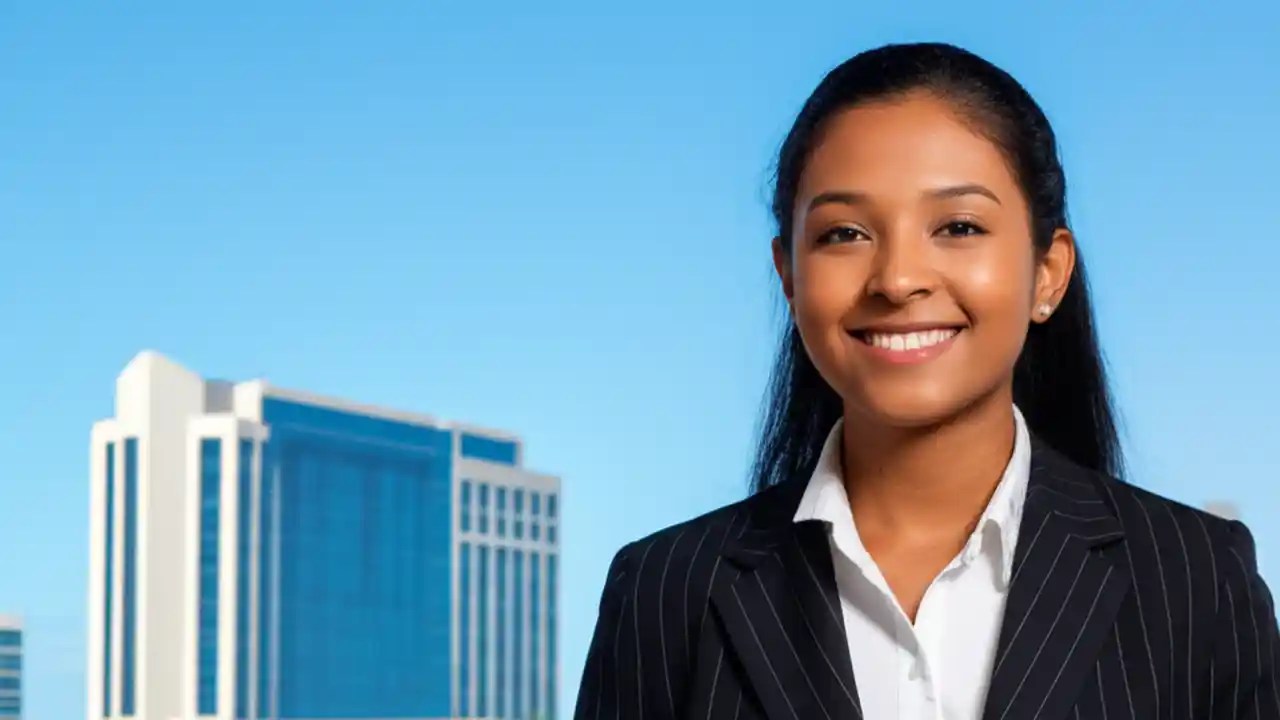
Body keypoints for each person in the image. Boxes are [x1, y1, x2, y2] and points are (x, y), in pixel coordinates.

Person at [573, 42, 1279, 720]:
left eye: (959, 227)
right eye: (844, 233)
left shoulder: (1197, 579)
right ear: (788, 274)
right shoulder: (667, 590)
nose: (898, 279)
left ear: (1047, 273)